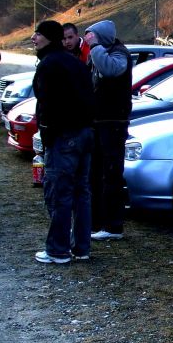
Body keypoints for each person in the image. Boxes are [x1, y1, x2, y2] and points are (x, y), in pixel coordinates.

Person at [31, 19, 95, 264]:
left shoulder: (49, 64)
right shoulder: (75, 63)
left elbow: (47, 105)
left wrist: (47, 137)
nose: (34, 39)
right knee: (81, 193)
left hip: (63, 137)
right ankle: (81, 247)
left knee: (61, 193)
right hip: (84, 134)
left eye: (37, 34)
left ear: (48, 37)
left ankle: (58, 250)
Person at [83, 19, 132, 241]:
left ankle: (113, 226)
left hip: (113, 122)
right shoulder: (99, 53)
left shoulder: (118, 54)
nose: (88, 39)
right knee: (96, 173)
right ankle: (97, 222)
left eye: (91, 35)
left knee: (111, 174)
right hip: (99, 121)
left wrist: (95, 47)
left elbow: (111, 70)